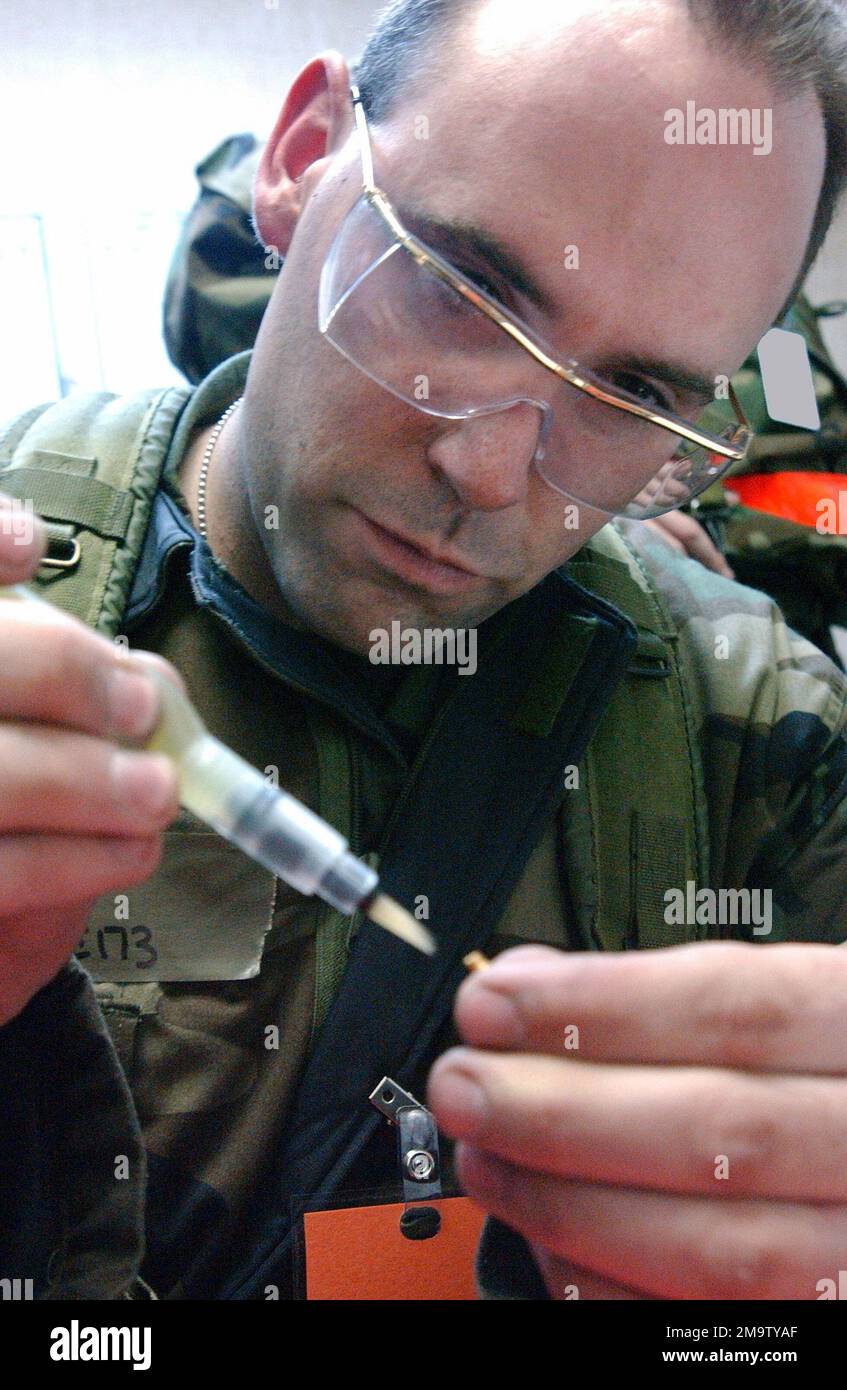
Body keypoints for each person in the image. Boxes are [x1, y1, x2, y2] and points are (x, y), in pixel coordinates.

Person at [2, 0, 847, 1302]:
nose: (494, 470)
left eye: (635, 396)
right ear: (300, 157)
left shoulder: (759, 746)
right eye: (459, 288)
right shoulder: (22, 587)